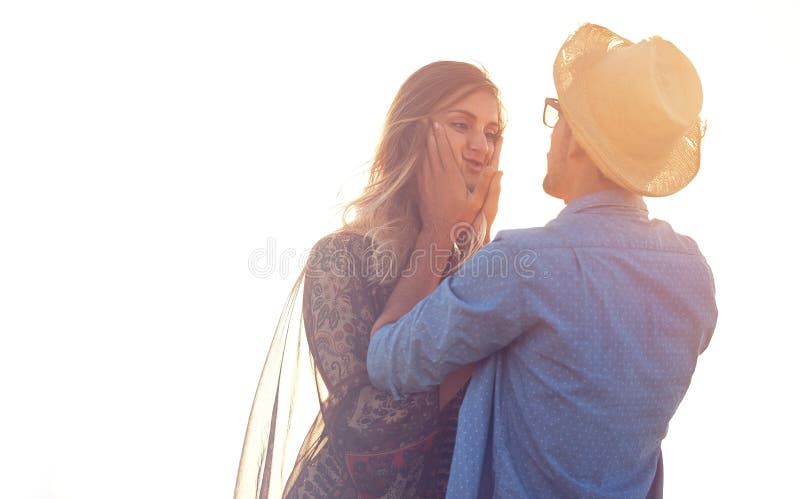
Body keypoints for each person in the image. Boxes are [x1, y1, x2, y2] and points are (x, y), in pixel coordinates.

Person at [366, 23, 718, 498]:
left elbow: (389, 361)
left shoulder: (525, 265)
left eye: (558, 115)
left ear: (575, 139)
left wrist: (440, 229)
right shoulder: (694, 279)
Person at [235, 61, 505, 498]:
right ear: (413, 134)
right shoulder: (342, 258)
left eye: (491, 133)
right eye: (461, 124)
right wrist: (436, 234)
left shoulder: (493, 271)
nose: (481, 146)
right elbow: (372, 436)